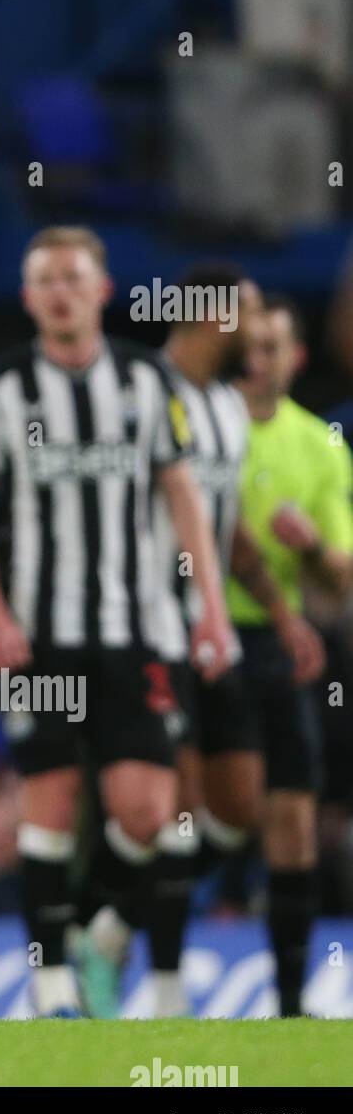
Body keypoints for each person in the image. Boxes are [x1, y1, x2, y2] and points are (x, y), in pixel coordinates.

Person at [0, 225, 237, 1018]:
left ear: (102, 290)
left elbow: (183, 496)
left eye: (73, 277)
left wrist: (209, 609)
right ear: (26, 296)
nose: (59, 291)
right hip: (41, 636)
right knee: (46, 802)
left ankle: (90, 933)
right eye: (43, 279)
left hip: (135, 629)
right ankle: (49, 988)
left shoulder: (148, 381)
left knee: (147, 813)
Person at [74, 266, 323, 1017]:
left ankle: (108, 925)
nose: (258, 328)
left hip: (213, 634)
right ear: (217, 316)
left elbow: (226, 531)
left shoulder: (221, 407)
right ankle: (165, 989)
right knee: (171, 815)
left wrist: (281, 616)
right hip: (148, 629)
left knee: (236, 808)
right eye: (249, 312)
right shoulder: (140, 389)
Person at [229, 296, 353, 1015]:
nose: (257, 358)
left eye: (272, 346)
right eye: (248, 345)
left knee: (292, 817)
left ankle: (286, 1004)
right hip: (191, 639)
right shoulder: (201, 430)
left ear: (294, 358)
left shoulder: (321, 444)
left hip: (283, 645)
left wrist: (308, 544)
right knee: (202, 811)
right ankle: (153, 967)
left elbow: (340, 573)